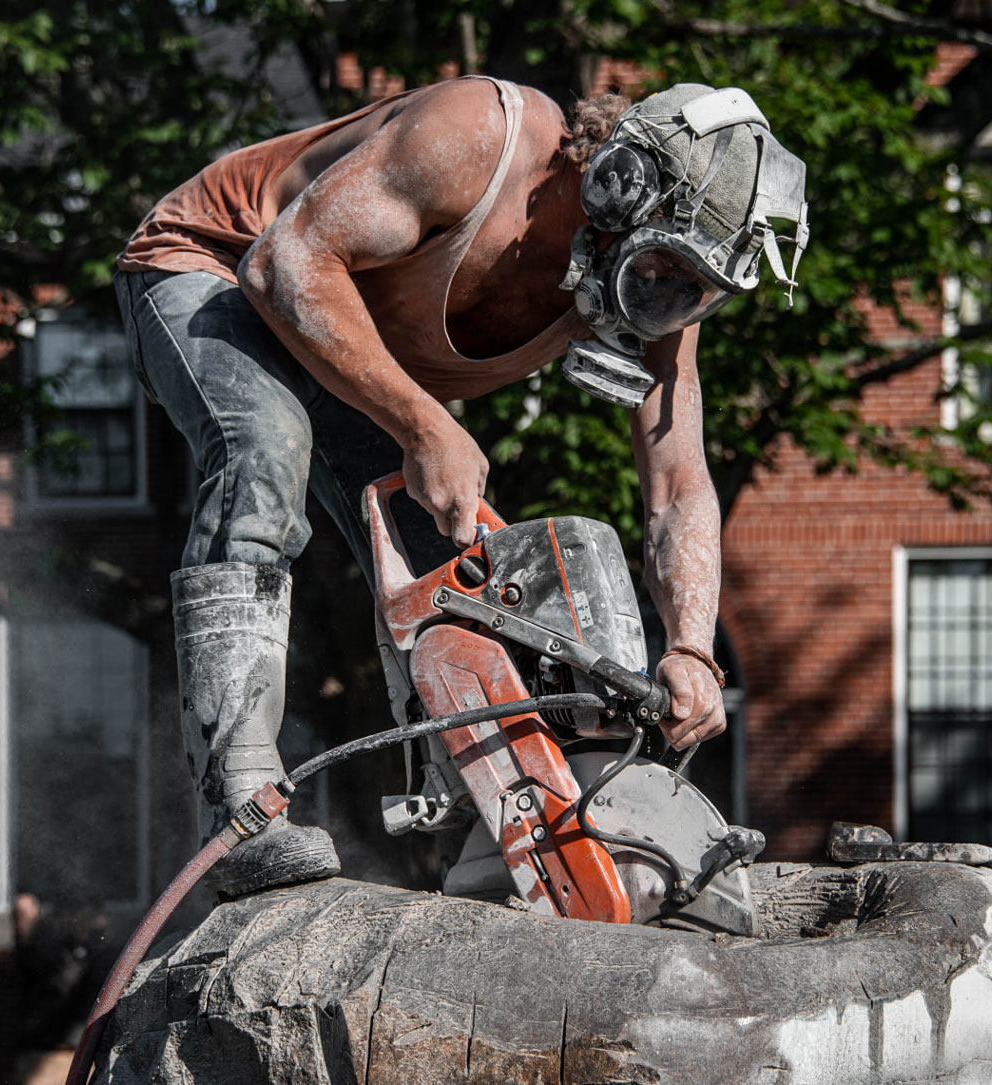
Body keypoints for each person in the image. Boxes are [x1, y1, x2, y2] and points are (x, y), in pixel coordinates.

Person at [113, 76, 808, 899]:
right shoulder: (480, 136)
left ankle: (495, 836)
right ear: (619, 183)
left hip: (337, 326)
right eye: (663, 271)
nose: (663, 303)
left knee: (461, 572)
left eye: (693, 290)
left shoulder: (658, 291)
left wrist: (691, 645)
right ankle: (237, 807)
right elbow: (286, 262)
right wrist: (425, 426)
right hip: (218, 267)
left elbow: (678, 484)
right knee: (265, 446)